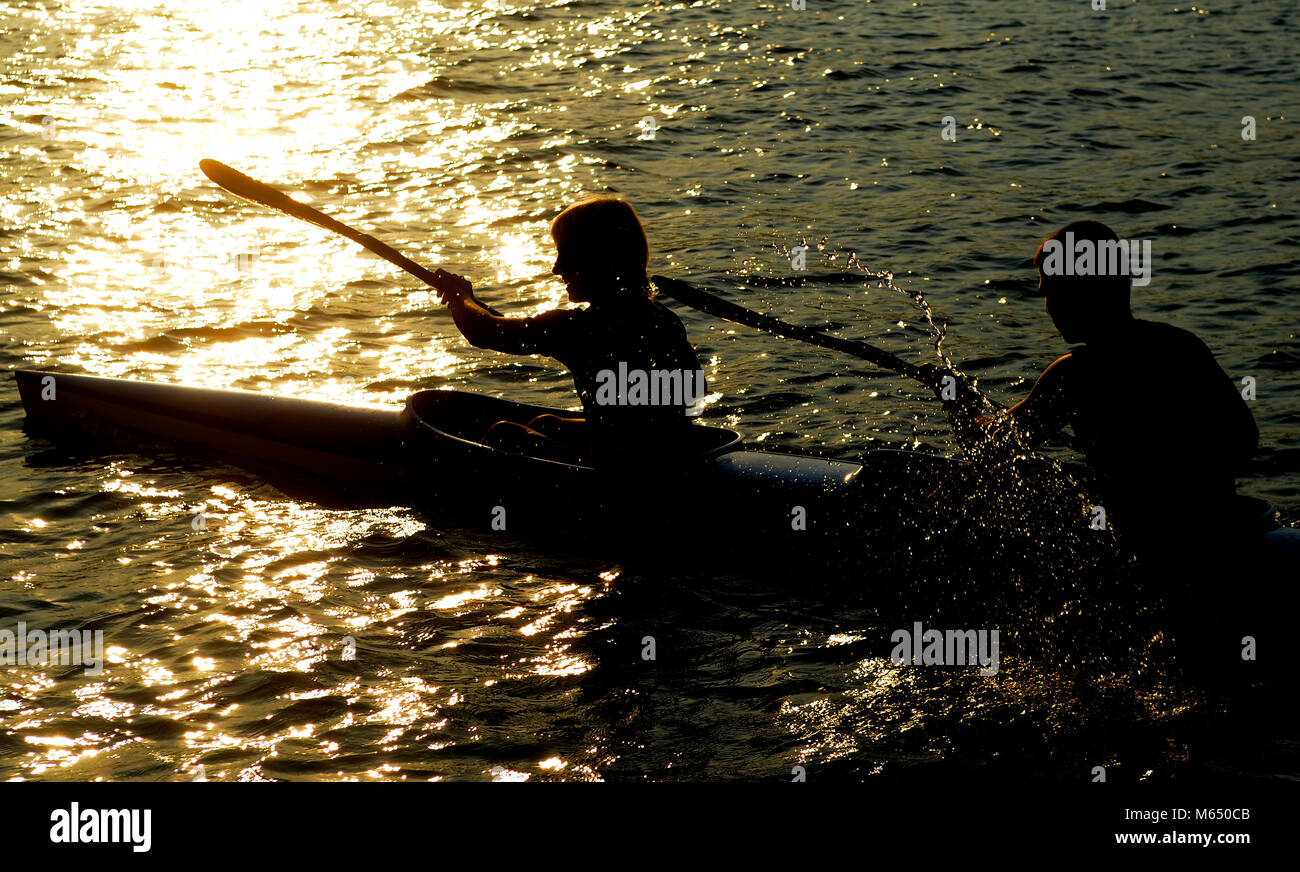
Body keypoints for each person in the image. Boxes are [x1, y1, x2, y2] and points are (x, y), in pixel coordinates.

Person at [985, 221, 1260, 655]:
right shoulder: (1182, 347)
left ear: (1085, 291)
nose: (1048, 306)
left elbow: (993, 447)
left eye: (1051, 291)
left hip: (1144, 556)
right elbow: (1245, 444)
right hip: (1216, 537)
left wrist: (956, 404)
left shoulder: (1074, 376)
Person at [432, 197, 705, 468]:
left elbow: (484, 332)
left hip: (623, 470)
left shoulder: (580, 328)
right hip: (666, 452)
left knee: (505, 434)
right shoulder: (664, 320)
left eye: (565, 254)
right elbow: (695, 393)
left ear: (597, 258)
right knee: (545, 425)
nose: (556, 268)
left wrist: (461, 298)